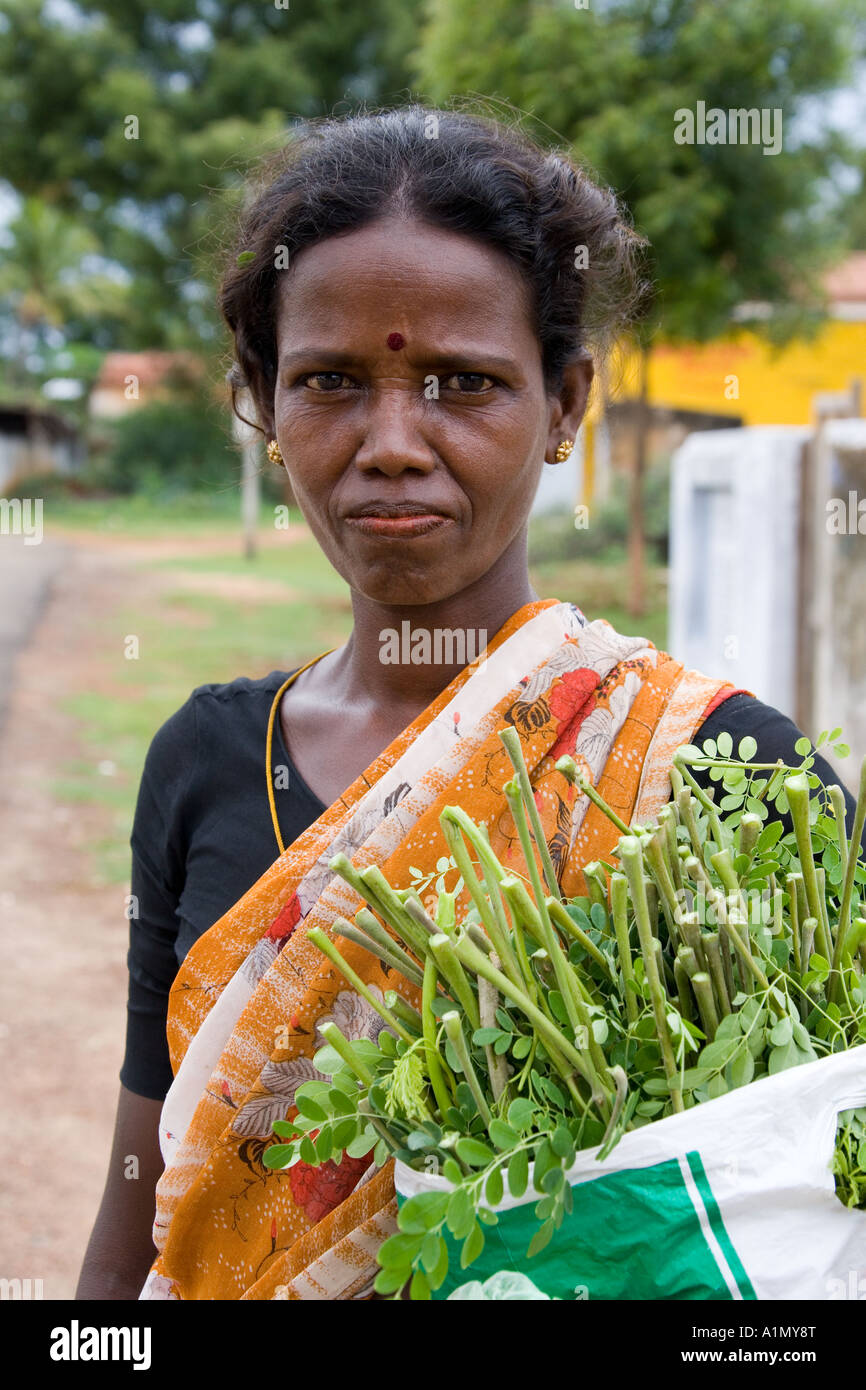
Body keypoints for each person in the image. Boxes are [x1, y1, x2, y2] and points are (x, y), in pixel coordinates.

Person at [76, 103, 865, 1302]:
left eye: (464, 383)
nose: (392, 440)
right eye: (330, 381)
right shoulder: (205, 758)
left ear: (563, 406)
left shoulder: (733, 778)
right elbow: (146, 1188)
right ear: (263, 407)